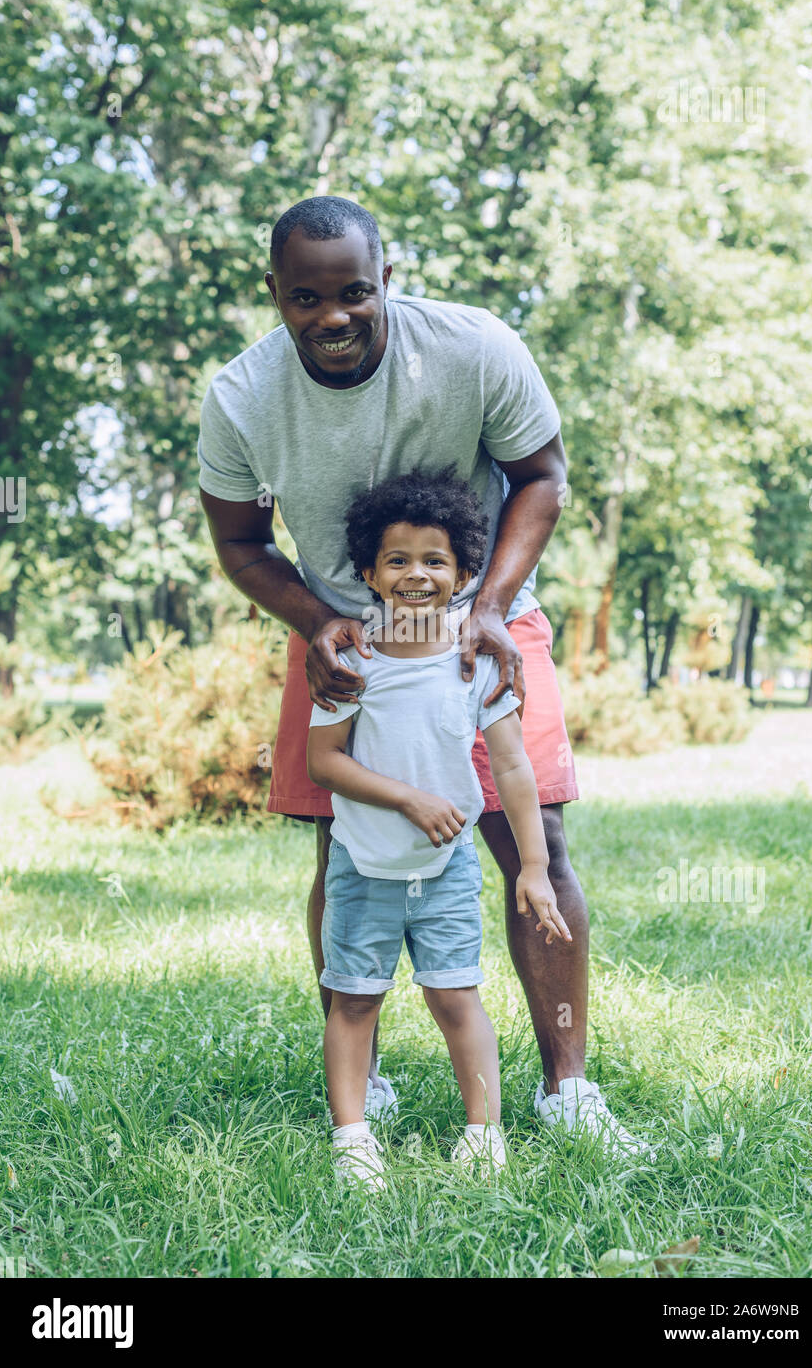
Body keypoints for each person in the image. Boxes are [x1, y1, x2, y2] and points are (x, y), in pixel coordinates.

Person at [199, 194, 652, 1159]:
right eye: (306, 298)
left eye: (354, 292)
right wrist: (322, 624)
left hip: (486, 619)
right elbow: (240, 545)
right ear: (275, 295)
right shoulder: (239, 397)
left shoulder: (474, 346)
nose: (333, 317)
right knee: (343, 851)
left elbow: (542, 476)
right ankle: (365, 1084)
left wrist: (486, 606)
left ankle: (567, 1085)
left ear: (385, 280)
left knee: (537, 847)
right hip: (342, 636)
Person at [307, 468, 571, 1188]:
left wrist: (531, 867)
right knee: (355, 997)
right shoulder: (350, 660)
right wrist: (407, 800)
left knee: (455, 996)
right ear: (367, 570)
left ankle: (483, 1137)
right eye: (397, 560)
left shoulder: (476, 663)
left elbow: (513, 770)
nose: (415, 574)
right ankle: (353, 1140)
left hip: (446, 866)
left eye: (434, 560)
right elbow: (322, 760)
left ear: (461, 575)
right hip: (363, 863)